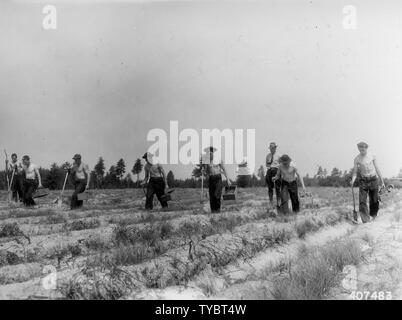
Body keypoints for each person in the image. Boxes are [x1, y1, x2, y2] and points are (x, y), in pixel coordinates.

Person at [350, 142, 385, 223]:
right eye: (360, 149)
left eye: (363, 149)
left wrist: (382, 181)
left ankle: (373, 216)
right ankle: (366, 221)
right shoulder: (357, 159)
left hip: (373, 179)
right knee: (362, 201)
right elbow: (355, 172)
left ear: (366, 148)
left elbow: (377, 168)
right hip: (363, 181)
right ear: (358, 149)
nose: (362, 151)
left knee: (374, 200)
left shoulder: (372, 156)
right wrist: (353, 180)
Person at [202, 146, 231, 213]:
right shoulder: (206, 162)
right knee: (212, 197)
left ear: (213, 152)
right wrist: (203, 172)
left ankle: (218, 211)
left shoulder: (218, 159)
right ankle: (213, 212)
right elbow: (206, 173)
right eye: (208, 153)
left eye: (210, 153)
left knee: (217, 195)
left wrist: (228, 180)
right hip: (211, 179)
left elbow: (224, 169)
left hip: (218, 179)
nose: (209, 154)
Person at [265, 142, 281, 209]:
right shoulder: (267, 156)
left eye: (273, 148)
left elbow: (281, 165)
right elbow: (267, 165)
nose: (272, 149)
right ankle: (271, 202)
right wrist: (269, 169)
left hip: (276, 171)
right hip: (269, 171)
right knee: (270, 188)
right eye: (271, 148)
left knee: (277, 188)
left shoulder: (279, 156)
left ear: (275, 148)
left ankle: (278, 203)